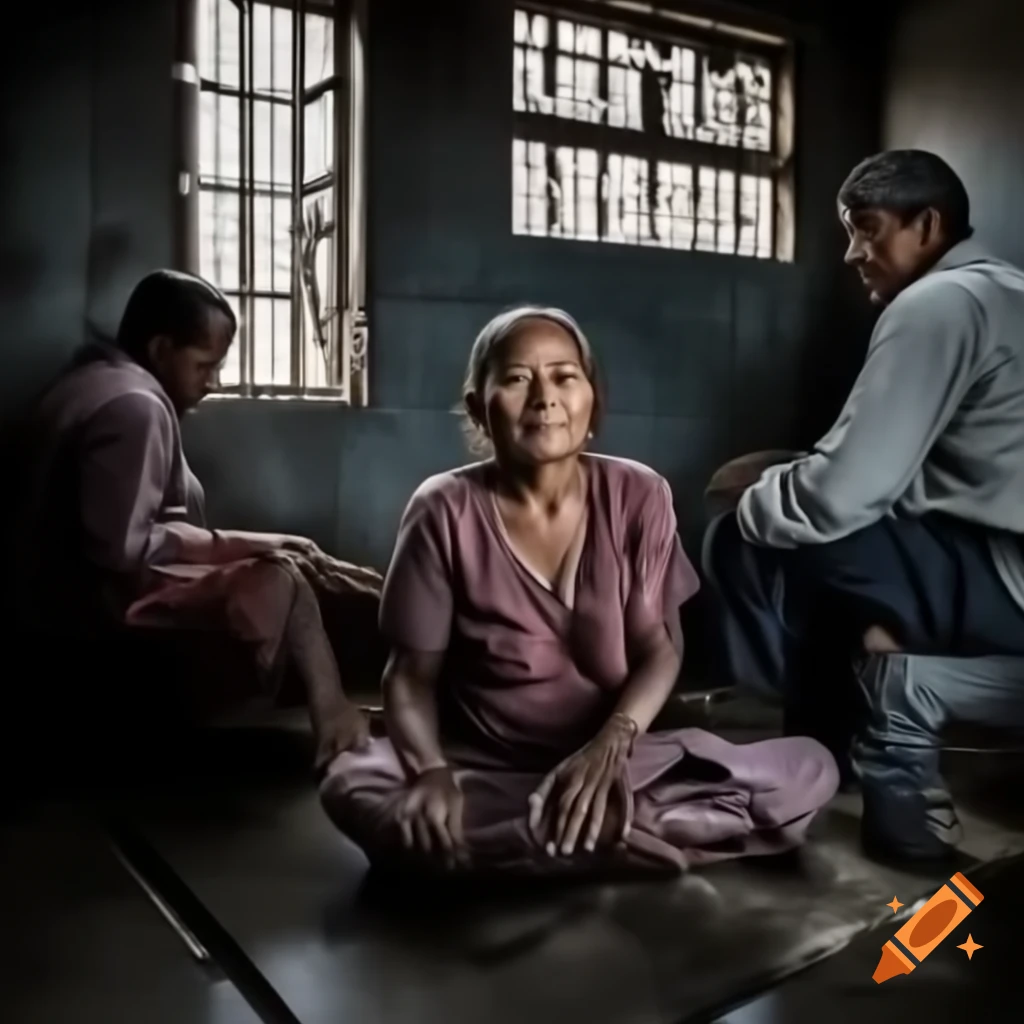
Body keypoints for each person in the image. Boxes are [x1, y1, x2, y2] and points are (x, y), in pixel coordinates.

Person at [320, 306, 837, 876]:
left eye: (565, 376)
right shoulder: (443, 508)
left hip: (624, 759)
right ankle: (610, 840)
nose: (545, 397)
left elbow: (659, 650)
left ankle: (543, 844)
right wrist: (431, 774)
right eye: (517, 379)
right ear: (478, 408)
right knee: (351, 783)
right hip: (486, 765)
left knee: (811, 769)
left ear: (593, 400)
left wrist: (612, 743)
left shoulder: (639, 494)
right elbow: (410, 676)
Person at [702, 150, 1024, 858]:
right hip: (996, 565)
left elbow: (844, 493)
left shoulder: (939, 303)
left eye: (868, 229)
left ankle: (819, 745)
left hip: (1006, 587)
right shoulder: (1006, 291)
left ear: (927, 225)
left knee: (744, 532)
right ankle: (846, 721)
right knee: (798, 501)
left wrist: (755, 498)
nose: (854, 253)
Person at [13, 269, 381, 768]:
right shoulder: (135, 408)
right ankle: (337, 713)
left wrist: (246, 543)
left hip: (87, 598)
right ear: (162, 348)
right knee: (292, 578)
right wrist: (240, 550)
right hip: (94, 618)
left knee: (308, 558)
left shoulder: (94, 380)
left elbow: (141, 531)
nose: (213, 383)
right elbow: (120, 549)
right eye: (205, 365)